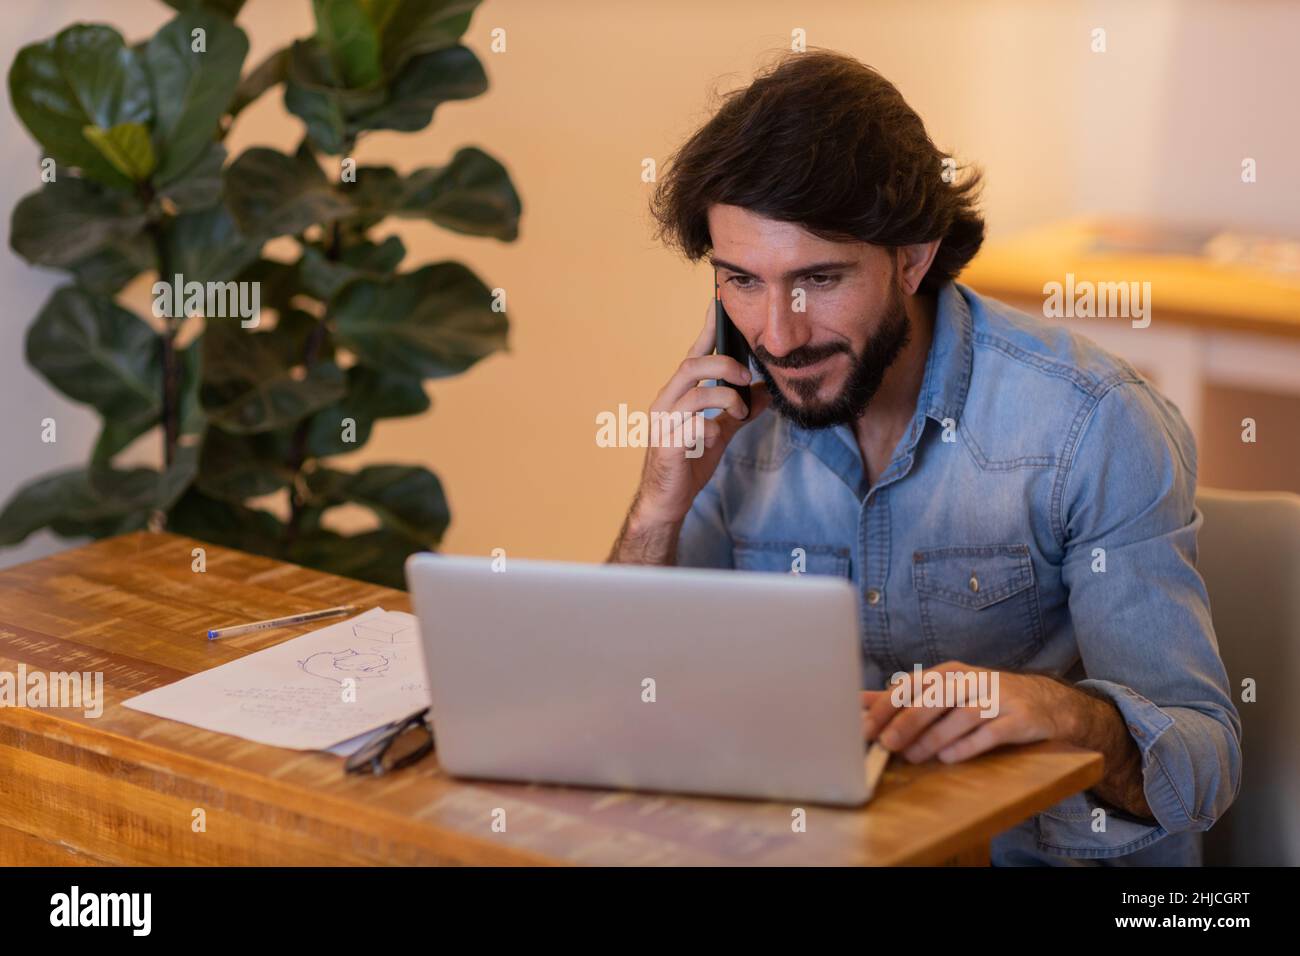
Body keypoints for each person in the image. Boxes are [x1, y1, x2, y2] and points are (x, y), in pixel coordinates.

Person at [607, 49, 1240, 865]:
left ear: (914, 256)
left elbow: (1205, 765)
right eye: (741, 280)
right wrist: (660, 501)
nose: (777, 333)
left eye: (819, 278)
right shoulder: (726, 422)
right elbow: (617, 701)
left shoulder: (1093, 424)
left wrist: (1070, 716)